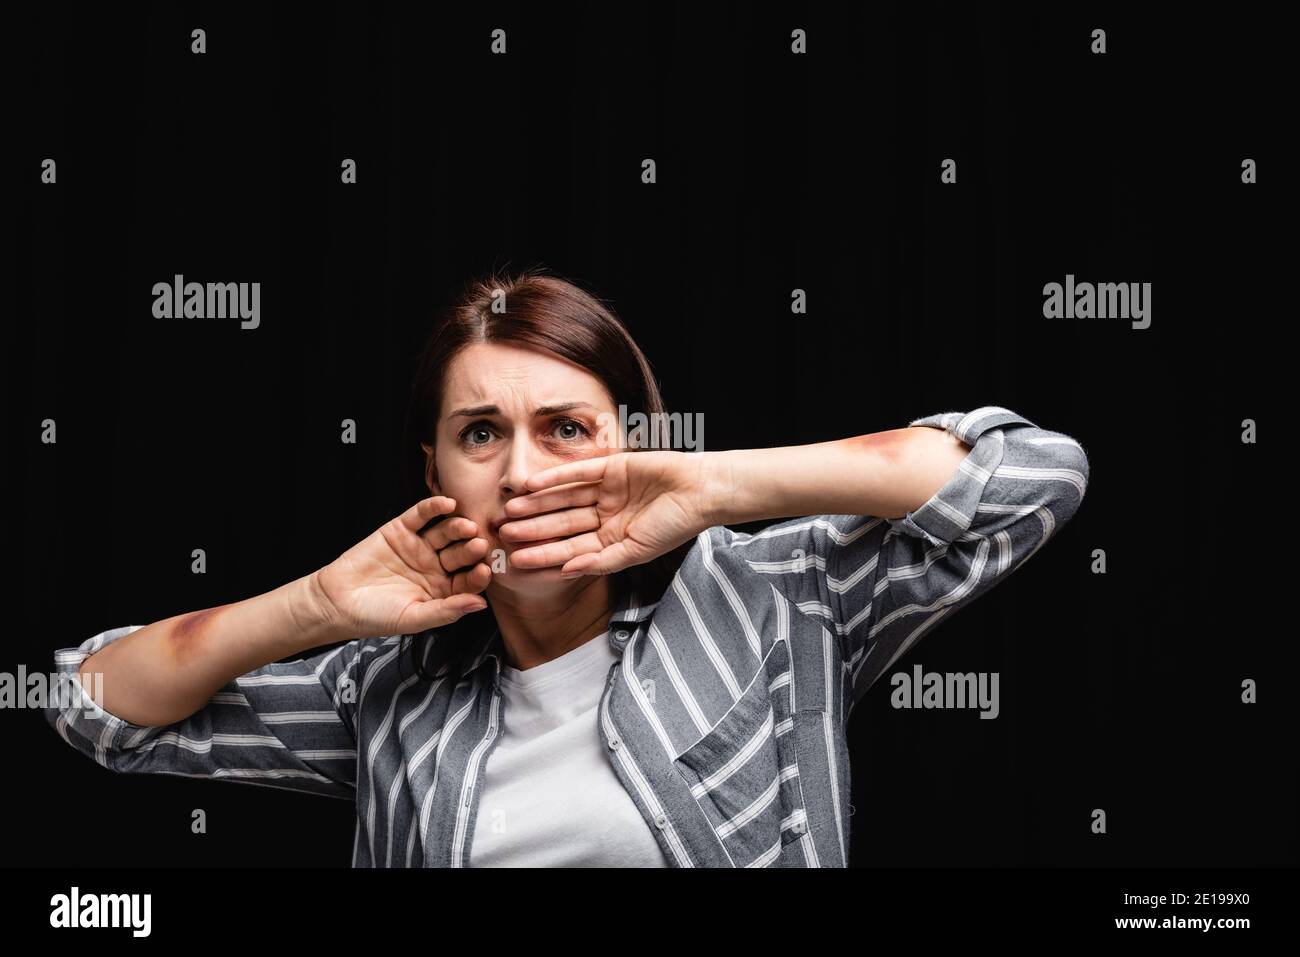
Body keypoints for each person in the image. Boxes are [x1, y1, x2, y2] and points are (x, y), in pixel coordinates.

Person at [43, 265, 1090, 867]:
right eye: (483, 434)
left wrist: (716, 487)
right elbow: (92, 702)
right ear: (434, 468)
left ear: (630, 443)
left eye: (566, 428)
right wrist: (315, 606)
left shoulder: (768, 600)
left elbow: (1029, 477)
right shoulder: (388, 691)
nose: (526, 472)